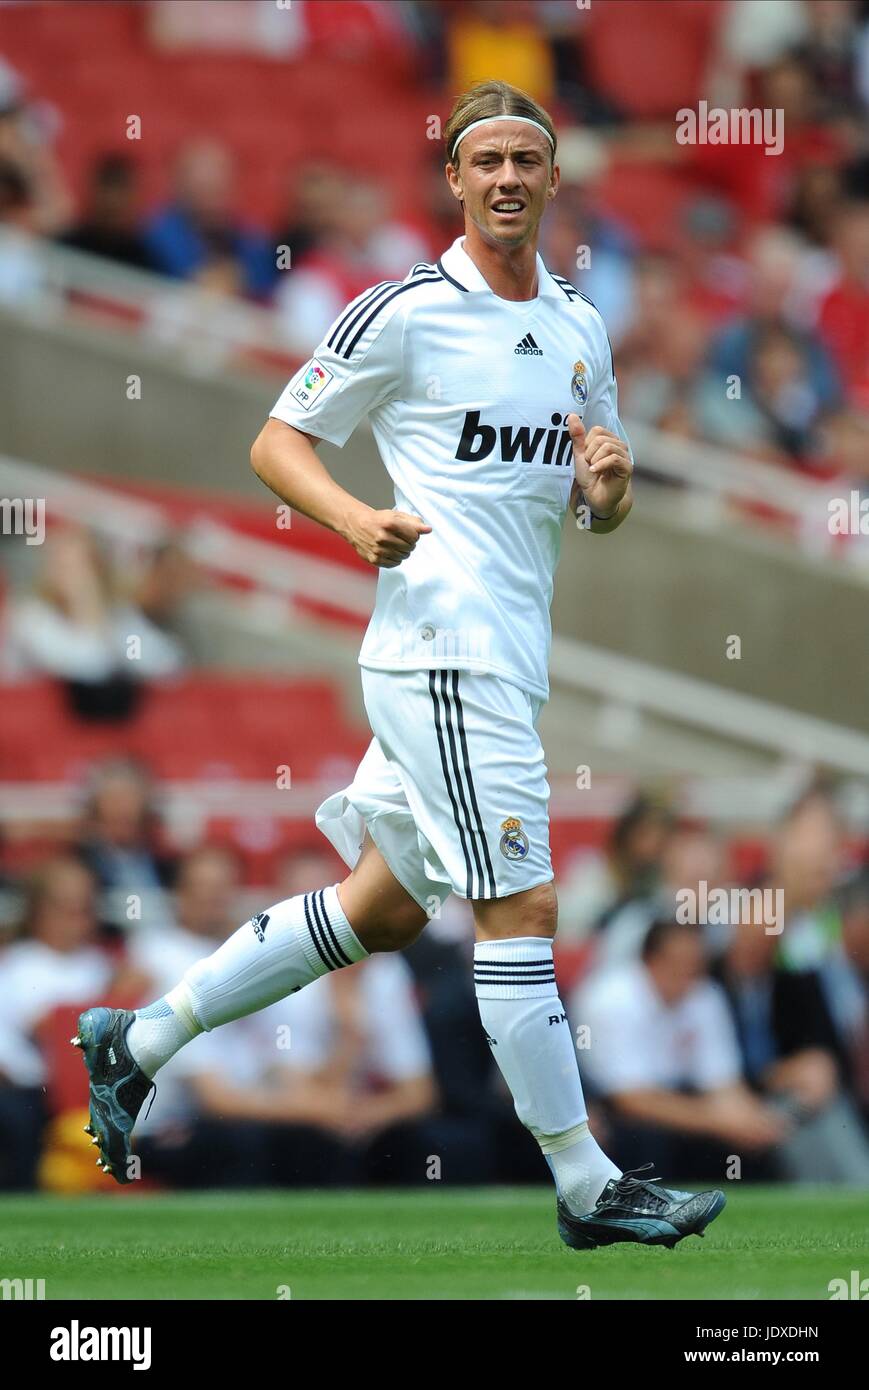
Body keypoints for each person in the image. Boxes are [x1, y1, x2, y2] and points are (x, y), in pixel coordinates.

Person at [74, 80, 725, 1251]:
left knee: (377, 908)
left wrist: (611, 495)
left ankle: (143, 1038)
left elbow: (589, 502)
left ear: (554, 177)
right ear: (456, 182)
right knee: (519, 901)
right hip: (440, 649)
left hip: (505, 655)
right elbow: (277, 441)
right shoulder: (404, 311)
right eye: (486, 162)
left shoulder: (579, 326)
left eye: (528, 159)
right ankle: (585, 1181)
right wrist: (351, 521)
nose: (508, 179)